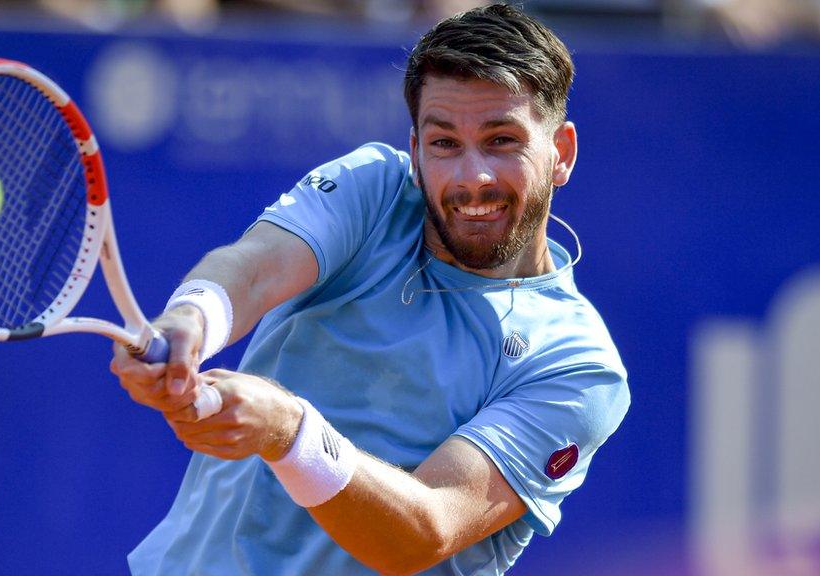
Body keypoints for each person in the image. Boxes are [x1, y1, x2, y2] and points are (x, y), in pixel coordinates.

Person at [111, 4, 630, 575]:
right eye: (444, 144)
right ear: (414, 150)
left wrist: (287, 430)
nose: (471, 177)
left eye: (502, 140)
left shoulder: (578, 367)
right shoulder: (377, 188)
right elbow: (254, 268)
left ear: (561, 153)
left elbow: (423, 531)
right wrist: (192, 317)